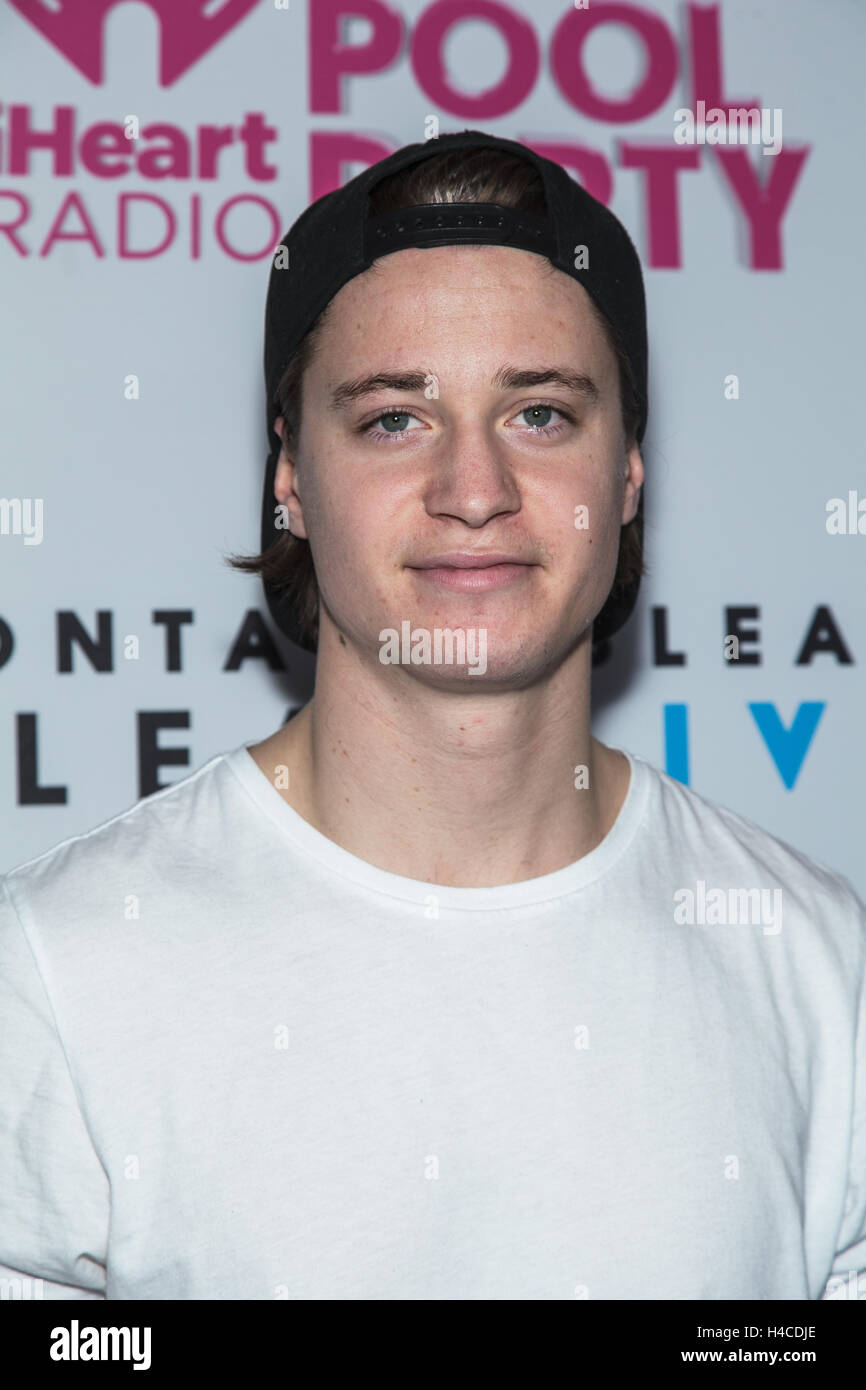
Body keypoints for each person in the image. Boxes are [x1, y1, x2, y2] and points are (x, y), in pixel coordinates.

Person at [0, 131, 863, 1302]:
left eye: (541, 414)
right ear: (289, 479)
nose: (474, 490)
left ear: (625, 477)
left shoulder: (820, 967)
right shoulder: (53, 968)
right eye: (394, 418)